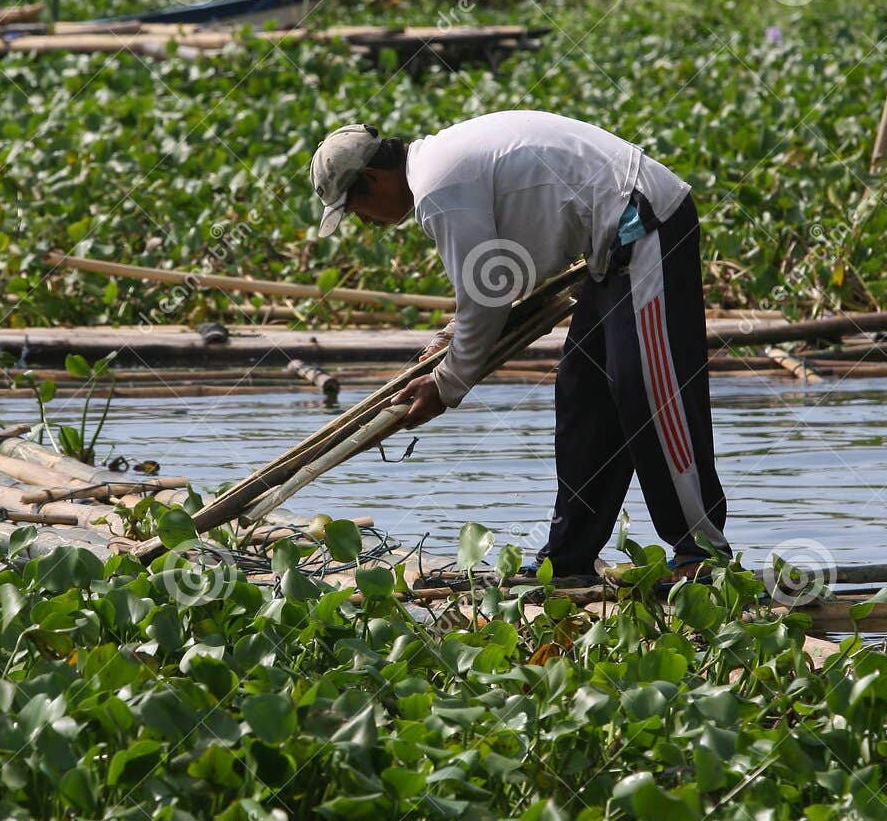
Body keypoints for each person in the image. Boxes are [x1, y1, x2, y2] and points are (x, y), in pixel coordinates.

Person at [309, 110, 730, 583]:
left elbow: (485, 302)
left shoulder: (436, 189)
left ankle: (701, 552)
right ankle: (569, 559)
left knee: (648, 391)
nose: (366, 222)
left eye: (356, 209)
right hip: (609, 250)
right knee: (582, 396)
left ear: (372, 178)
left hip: (644, 226)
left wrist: (446, 385)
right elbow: (498, 278)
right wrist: (449, 341)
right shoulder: (440, 166)